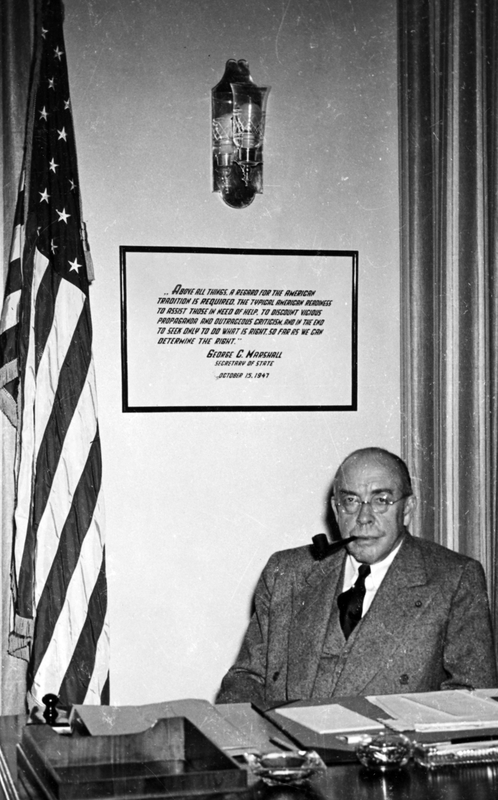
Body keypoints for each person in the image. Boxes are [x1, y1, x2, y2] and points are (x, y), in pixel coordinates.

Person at [216, 447, 497, 707]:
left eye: (381, 501)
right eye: (351, 501)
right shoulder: (286, 572)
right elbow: (246, 678)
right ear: (337, 509)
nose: (364, 517)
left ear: (407, 509)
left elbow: (471, 700)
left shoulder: (454, 579)